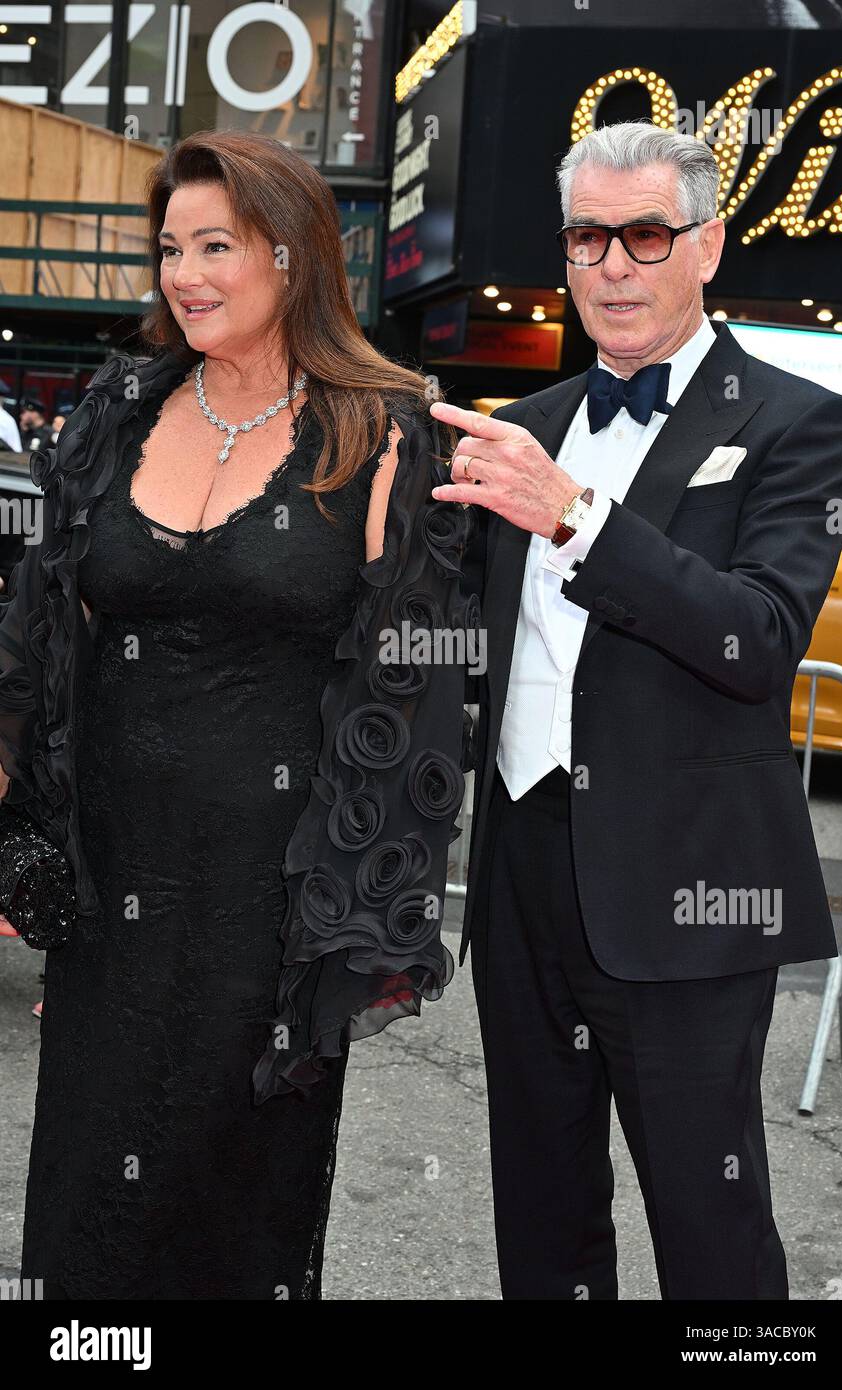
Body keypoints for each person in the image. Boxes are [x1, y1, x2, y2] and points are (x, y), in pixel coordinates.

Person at [0, 129, 472, 1299]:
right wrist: (22, 827)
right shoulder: (118, 408)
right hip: (112, 887)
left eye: (217, 245)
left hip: (269, 907)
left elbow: (411, 695)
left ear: (291, 254)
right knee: (87, 1199)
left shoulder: (380, 426)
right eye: (171, 248)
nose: (187, 273)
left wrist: (358, 929)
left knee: (232, 1204)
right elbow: (37, 633)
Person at [432, 120, 842, 1300]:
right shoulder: (523, 426)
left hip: (684, 885)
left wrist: (578, 518)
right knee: (539, 1204)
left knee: (707, 1219)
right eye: (586, 237)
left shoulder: (797, 420)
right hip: (520, 876)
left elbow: (758, 638)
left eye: (643, 234)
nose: (611, 265)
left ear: (706, 244)